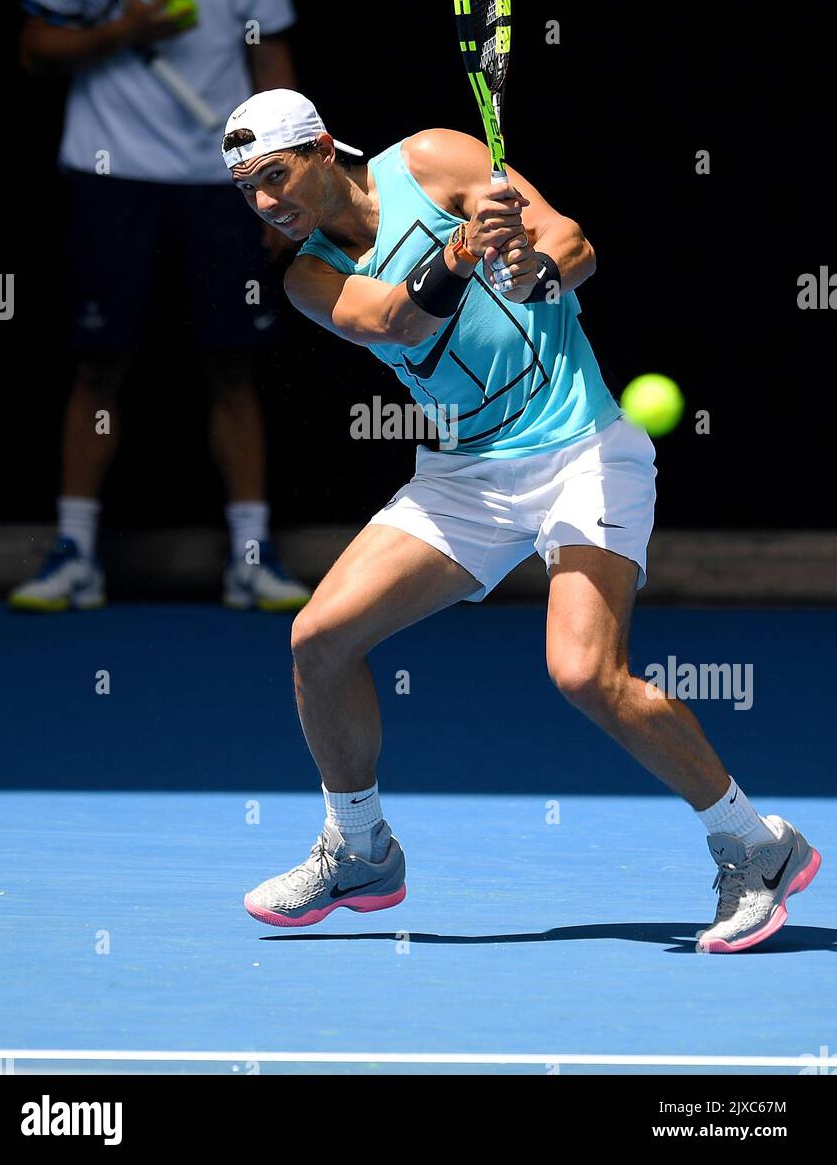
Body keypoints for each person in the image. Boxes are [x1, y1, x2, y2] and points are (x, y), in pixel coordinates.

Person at [223, 88, 821, 951]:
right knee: (319, 640)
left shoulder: (433, 157)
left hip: (584, 451)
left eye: (274, 175)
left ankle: (756, 845)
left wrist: (538, 270)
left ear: (322, 149)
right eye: (247, 189)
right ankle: (359, 849)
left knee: (585, 673)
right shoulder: (308, 276)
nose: (265, 201)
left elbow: (574, 243)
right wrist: (464, 251)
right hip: (464, 476)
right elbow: (395, 321)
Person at [9, 0, 309, 613]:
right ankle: (75, 553)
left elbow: (271, 61)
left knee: (233, 368)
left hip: (221, 183)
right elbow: (35, 46)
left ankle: (250, 557)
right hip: (111, 179)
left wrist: (285, 183)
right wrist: (123, 32)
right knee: (98, 366)